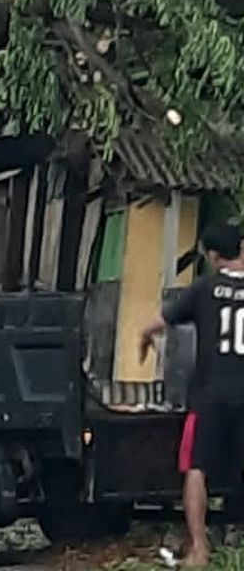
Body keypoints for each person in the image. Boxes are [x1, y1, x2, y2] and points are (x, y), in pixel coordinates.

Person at [139, 222, 244, 568]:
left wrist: (143, 336)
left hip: (211, 395)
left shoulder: (204, 289)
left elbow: (160, 323)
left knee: (197, 468)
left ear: (214, 257)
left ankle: (199, 547)